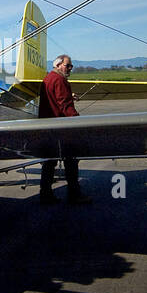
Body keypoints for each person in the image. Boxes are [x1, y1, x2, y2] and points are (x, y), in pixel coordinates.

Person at [38, 54, 90, 205]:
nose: (70, 69)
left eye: (71, 66)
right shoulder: (60, 80)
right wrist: (78, 121)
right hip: (61, 128)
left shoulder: (48, 78)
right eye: (67, 66)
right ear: (58, 65)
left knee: (49, 162)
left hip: (47, 127)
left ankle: (45, 194)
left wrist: (68, 95)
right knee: (71, 160)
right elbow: (64, 106)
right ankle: (75, 195)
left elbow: (56, 98)